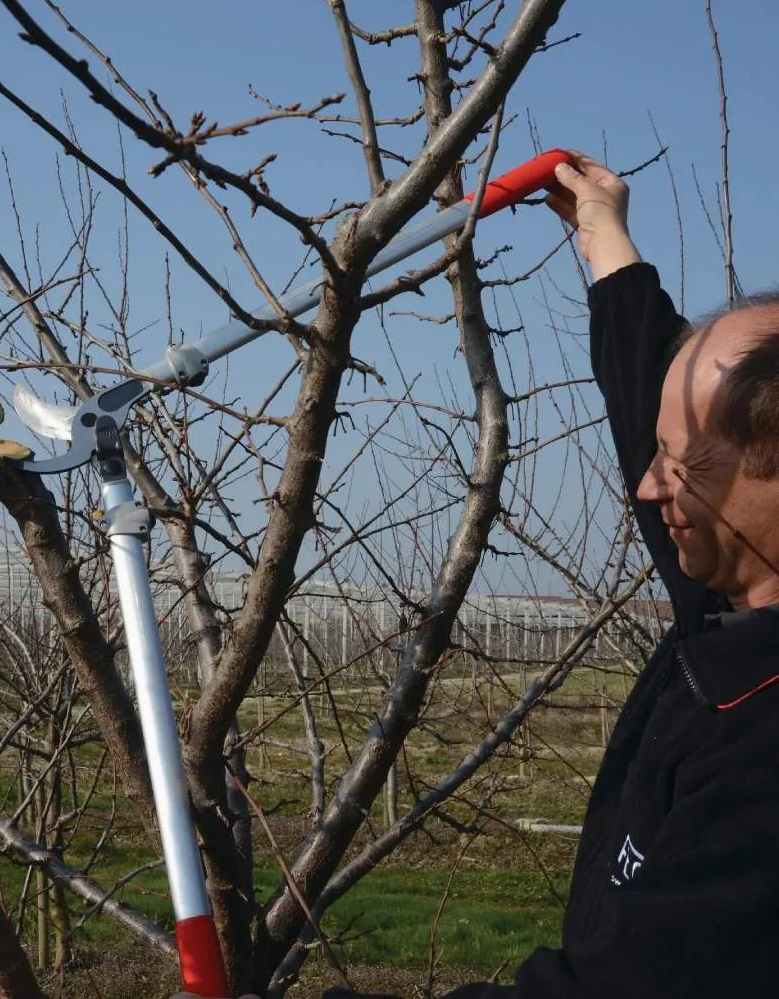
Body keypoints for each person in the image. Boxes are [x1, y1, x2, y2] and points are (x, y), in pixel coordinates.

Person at [173, 152, 779, 998]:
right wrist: (607, 243)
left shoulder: (762, 765)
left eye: (682, 466)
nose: (646, 485)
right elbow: (657, 405)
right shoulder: (736, 585)